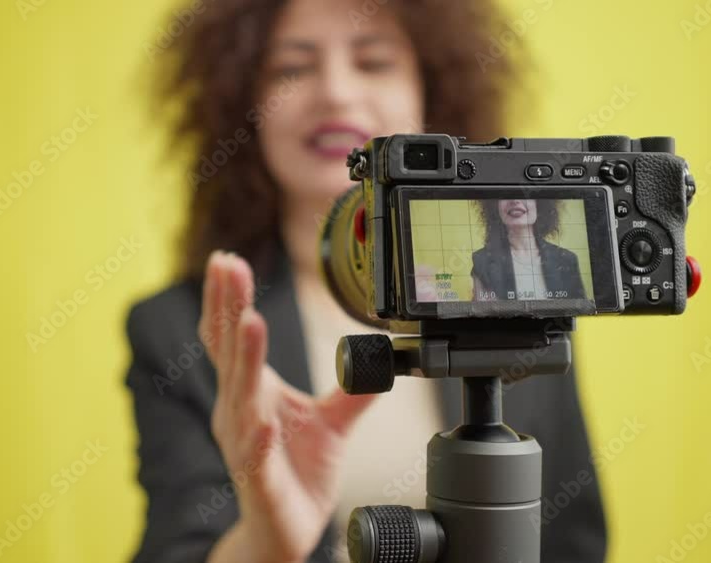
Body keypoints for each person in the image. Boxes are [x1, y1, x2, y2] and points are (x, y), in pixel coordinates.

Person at [125, 1, 607, 562]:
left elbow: (576, 542)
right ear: (245, 108)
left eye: (373, 61)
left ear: (430, 94)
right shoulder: (179, 329)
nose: (334, 91)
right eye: (291, 68)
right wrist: (265, 541)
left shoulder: (520, 294)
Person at [472, 199, 587, 301]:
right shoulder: (482, 261)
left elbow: (580, 313)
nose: (515, 200)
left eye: (524, 194)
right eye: (505, 194)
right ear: (495, 206)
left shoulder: (567, 260)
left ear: (539, 204)